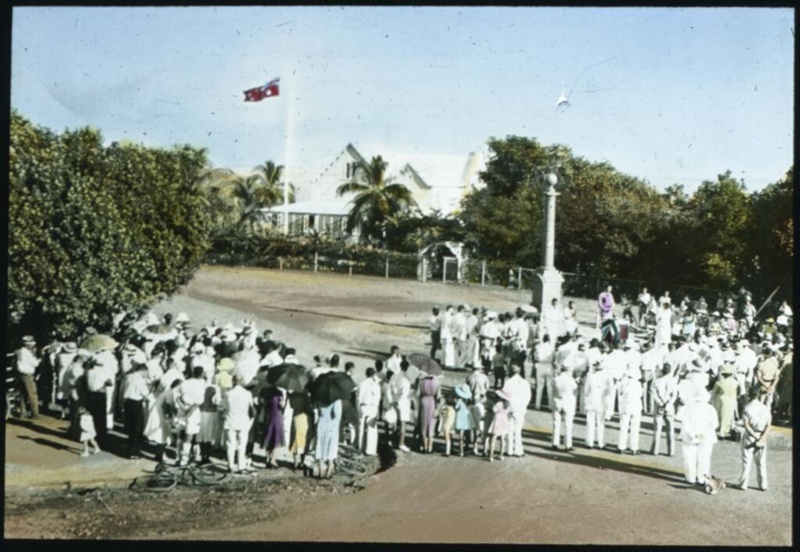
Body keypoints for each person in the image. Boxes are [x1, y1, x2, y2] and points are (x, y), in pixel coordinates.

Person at [677, 388, 719, 487]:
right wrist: (703, 432)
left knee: (689, 457)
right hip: (706, 436)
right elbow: (714, 424)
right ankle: (702, 478)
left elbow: (684, 422)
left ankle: (690, 478)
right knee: (704, 458)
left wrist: (693, 433)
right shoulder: (710, 408)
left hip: (689, 436)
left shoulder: (687, 407)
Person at [737, 387, 771, 492]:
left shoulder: (747, 408)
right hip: (762, 435)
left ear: (749, 394)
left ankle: (743, 484)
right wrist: (762, 438)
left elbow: (746, 426)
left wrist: (755, 437)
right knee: (761, 462)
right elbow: (768, 426)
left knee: (746, 461)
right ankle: (763, 484)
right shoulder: (765, 408)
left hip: (750, 436)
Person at [172, 366, 206, 466]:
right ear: (201, 374)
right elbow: (197, 403)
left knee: (180, 434)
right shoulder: (201, 385)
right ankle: (184, 460)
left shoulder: (184, 382)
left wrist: (182, 408)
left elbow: (176, 396)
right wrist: (188, 413)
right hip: (193, 411)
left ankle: (178, 457)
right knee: (189, 436)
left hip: (182, 409)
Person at [224, 374, 254, 473]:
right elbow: (251, 409)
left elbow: (221, 406)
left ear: (233, 381)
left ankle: (230, 466)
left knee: (230, 445)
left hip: (230, 420)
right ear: (242, 382)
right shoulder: (247, 393)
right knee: (242, 445)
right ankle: (241, 467)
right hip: (243, 421)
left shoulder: (228, 393)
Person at [121, 363, 153, 459]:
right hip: (136, 403)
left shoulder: (128, 377)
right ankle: (133, 452)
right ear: (143, 371)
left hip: (127, 402)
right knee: (137, 429)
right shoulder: (140, 380)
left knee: (130, 428)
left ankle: (130, 450)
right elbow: (145, 393)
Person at [502, 364, 532, 457]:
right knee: (518, 430)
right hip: (520, 408)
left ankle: (509, 450)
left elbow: (504, 395)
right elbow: (528, 396)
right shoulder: (525, 383)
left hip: (510, 407)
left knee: (509, 429)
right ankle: (518, 451)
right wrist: (524, 406)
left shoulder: (507, 382)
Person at [650, 364, 678, 456]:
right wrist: (669, 404)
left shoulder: (657, 381)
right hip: (669, 406)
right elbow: (674, 395)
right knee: (670, 429)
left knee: (657, 429)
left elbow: (654, 394)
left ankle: (655, 450)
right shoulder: (673, 382)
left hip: (659, 405)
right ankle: (671, 451)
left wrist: (661, 403)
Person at [583, 358, 611, 449]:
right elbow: (609, 392)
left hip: (591, 402)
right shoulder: (608, 377)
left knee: (590, 423)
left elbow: (585, 391)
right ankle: (600, 443)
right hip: (601, 403)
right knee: (600, 423)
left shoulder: (590, 377)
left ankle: (589, 443)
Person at [617, 366, 644, 455]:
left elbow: (620, 393)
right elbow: (640, 394)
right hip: (636, 407)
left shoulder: (623, 383)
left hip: (625, 406)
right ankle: (634, 448)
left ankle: (621, 447)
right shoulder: (637, 384)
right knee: (635, 428)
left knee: (623, 427)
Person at [551, 363, 577, 451]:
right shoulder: (571, 380)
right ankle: (568, 445)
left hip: (557, 401)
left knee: (556, 423)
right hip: (568, 402)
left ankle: (555, 443)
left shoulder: (556, 379)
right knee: (568, 425)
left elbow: (552, 388)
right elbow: (574, 388)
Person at [357, 367, 382, 456]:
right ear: (373, 374)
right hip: (372, 407)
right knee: (372, 429)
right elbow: (378, 399)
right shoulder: (376, 385)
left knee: (361, 428)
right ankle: (370, 450)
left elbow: (358, 397)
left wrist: (358, 408)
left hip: (363, 406)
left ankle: (360, 447)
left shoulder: (361, 384)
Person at [315, 398, 342, 479]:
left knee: (320, 445)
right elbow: (338, 415)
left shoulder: (319, 398)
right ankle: (329, 469)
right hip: (331, 423)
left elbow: (318, 412)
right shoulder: (336, 400)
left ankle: (321, 469)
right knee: (331, 446)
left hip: (321, 422)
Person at [15, 335, 41, 419]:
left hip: (20, 374)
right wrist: (39, 359)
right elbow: (36, 363)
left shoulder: (18, 351)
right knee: (32, 393)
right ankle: (35, 413)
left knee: (23, 394)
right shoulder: (27, 353)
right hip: (27, 374)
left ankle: (23, 412)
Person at [710, 364, 739, 440]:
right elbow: (736, 392)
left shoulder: (719, 382)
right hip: (731, 399)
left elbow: (714, 392)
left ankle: (720, 430)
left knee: (720, 415)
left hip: (722, 399)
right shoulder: (735, 382)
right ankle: (726, 430)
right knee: (729, 415)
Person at [391, 360, 413, 452]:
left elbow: (392, 387)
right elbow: (406, 392)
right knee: (403, 424)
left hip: (396, 400)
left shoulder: (395, 376)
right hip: (403, 402)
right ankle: (401, 443)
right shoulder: (406, 379)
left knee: (396, 423)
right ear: (407, 368)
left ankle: (394, 441)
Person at [416, 372, 439, 454]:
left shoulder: (421, 381)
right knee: (431, 425)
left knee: (424, 424)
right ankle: (430, 447)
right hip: (432, 402)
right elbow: (438, 396)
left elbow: (417, 393)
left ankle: (424, 447)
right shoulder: (437, 382)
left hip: (424, 401)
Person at [262, 388, 285, 468]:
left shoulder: (265, 392)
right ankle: (273, 460)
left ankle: (267, 459)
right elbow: (281, 405)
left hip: (268, 416)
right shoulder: (279, 393)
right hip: (277, 416)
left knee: (268, 437)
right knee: (276, 438)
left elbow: (262, 403)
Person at [288, 390, 311, 469]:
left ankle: (295, 462)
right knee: (303, 439)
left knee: (295, 438)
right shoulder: (305, 396)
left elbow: (291, 406)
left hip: (295, 417)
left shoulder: (292, 395)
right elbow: (308, 408)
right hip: (304, 417)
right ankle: (302, 462)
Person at [488, 390, 511, 462]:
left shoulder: (498, 404)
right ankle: (501, 454)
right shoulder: (508, 405)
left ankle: (491, 455)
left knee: (493, 438)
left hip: (497, 420)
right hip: (504, 420)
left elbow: (493, 410)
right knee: (502, 438)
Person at [534, 334, 554, 410]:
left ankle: (537, 404)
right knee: (549, 387)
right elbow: (554, 357)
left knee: (539, 386)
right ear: (549, 340)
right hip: (548, 365)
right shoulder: (551, 348)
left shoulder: (538, 347)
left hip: (540, 365)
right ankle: (550, 405)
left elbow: (535, 357)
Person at [453, 383, 473, 457]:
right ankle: (466, 448)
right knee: (467, 434)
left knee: (461, 436)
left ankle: (461, 451)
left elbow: (456, 407)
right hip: (466, 418)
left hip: (460, 418)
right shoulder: (468, 401)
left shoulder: (459, 401)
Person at [440, 392, 456, 456]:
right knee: (450, 436)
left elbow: (443, 414)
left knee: (447, 437)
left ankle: (447, 451)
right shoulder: (453, 407)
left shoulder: (446, 407)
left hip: (447, 423)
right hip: (452, 422)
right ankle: (450, 449)